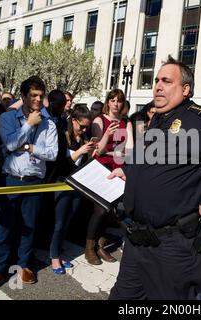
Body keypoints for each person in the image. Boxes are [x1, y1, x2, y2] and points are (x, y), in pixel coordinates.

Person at [107, 55, 201, 299]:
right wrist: (127, 171)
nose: (158, 85)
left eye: (167, 81)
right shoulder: (157, 119)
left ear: (185, 89)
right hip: (137, 239)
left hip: (172, 245)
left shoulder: (199, 119)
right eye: (157, 80)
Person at [0, 76, 58, 294]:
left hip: (35, 182)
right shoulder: (7, 118)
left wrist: (31, 148)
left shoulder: (49, 123)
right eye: (33, 95)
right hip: (11, 179)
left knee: (29, 226)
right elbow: (11, 144)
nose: (37, 100)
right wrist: (28, 125)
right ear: (22, 96)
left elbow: (52, 154)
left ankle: (24, 265)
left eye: (41, 96)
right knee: (5, 227)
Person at [87, 89, 133, 265]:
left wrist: (118, 152)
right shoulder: (99, 120)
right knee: (99, 210)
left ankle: (101, 245)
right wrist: (107, 135)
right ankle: (89, 248)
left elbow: (129, 151)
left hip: (118, 169)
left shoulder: (126, 123)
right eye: (112, 100)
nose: (116, 103)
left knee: (109, 210)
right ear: (108, 102)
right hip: (101, 167)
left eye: (119, 101)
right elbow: (98, 150)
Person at [49, 105, 95, 274]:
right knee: (59, 223)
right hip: (61, 184)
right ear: (73, 120)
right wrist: (79, 152)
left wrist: (90, 154)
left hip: (77, 185)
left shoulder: (84, 139)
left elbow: (83, 165)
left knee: (68, 221)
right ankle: (54, 256)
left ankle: (59, 252)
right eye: (81, 126)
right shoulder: (62, 136)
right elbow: (59, 164)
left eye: (86, 127)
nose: (83, 129)